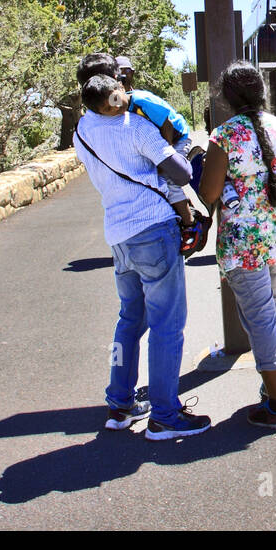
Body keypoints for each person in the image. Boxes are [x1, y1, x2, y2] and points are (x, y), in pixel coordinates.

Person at [74, 74, 210, 440]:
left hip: (118, 235)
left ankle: (119, 404)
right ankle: (165, 415)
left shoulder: (82, 131)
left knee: (130, 321)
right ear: (116, 96)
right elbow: (180, 172)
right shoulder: (136, 127)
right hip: (153, 229)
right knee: (168, 324)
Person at [199, 60, 276, 430]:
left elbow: (210, 193)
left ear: (227, 98)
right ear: (262, 92)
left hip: (244, 244)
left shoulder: (224, 136)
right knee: (272, 308)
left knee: (259, 317)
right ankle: (270, 390)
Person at [77, 52, 207, 253]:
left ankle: (192, 224)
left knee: (170, 180)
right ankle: (185, 213)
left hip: (177, 138)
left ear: (118, 85)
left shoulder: (140, 102)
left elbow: (168, 125)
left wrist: (166, 154)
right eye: (106, 109)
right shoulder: (121, 114)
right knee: (163, 180)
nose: (114, 109)